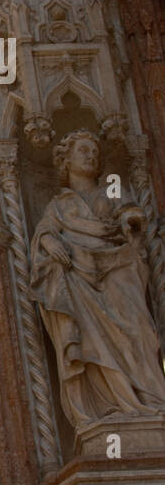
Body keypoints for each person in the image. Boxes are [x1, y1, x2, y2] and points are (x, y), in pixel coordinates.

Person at [31, 130, 165, 428]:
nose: (90, 155)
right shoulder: (59, 205)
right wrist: (49, 242)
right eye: (83, 150)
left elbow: (129, 211)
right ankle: (108, 408)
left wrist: (131, 220)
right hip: (79, 276)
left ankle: (150, 398)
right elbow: (44, 233)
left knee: (138, 328)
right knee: (87, 335)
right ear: (65, 160)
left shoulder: (110, 189)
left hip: (118, 268)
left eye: (94, 151)